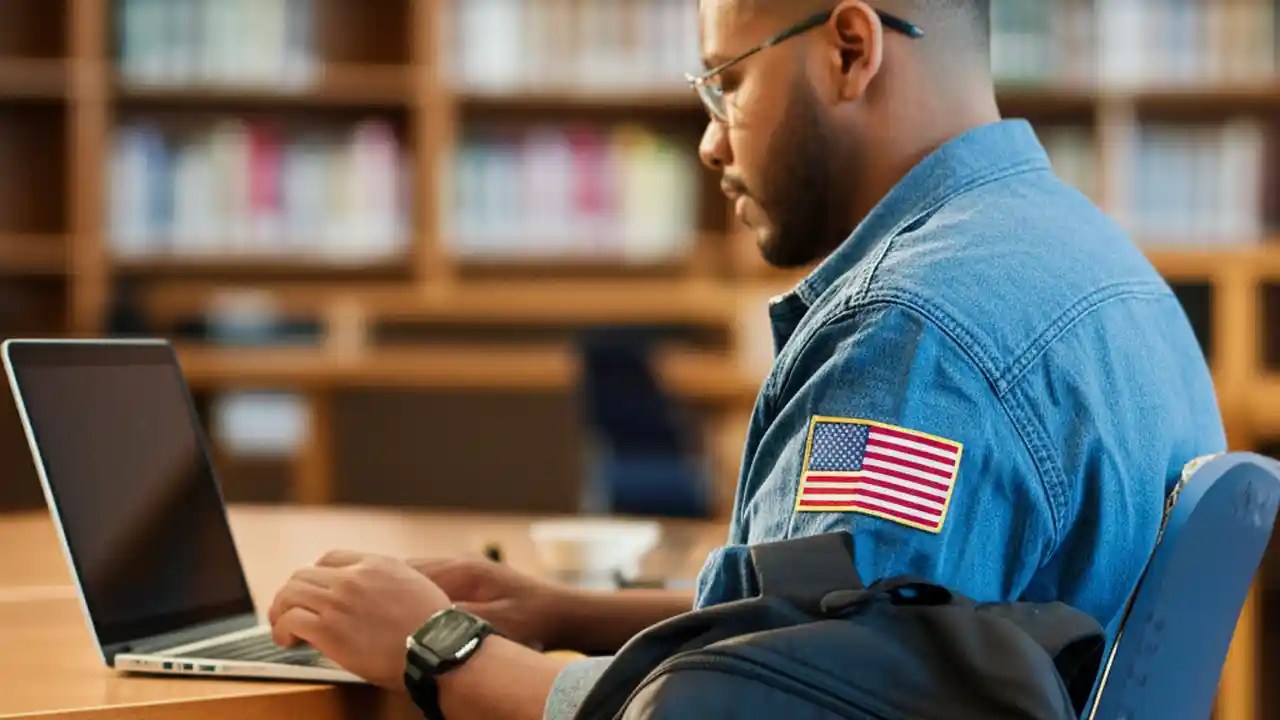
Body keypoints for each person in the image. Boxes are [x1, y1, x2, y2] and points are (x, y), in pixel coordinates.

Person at [268, 1, 1226, 718]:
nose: (707, 139)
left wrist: (440, 647)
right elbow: (860, 631)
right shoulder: (1101, 265)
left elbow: (780, 708)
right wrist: (567, 611)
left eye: (726, 80)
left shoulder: (913, 339)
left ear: (850, 50)